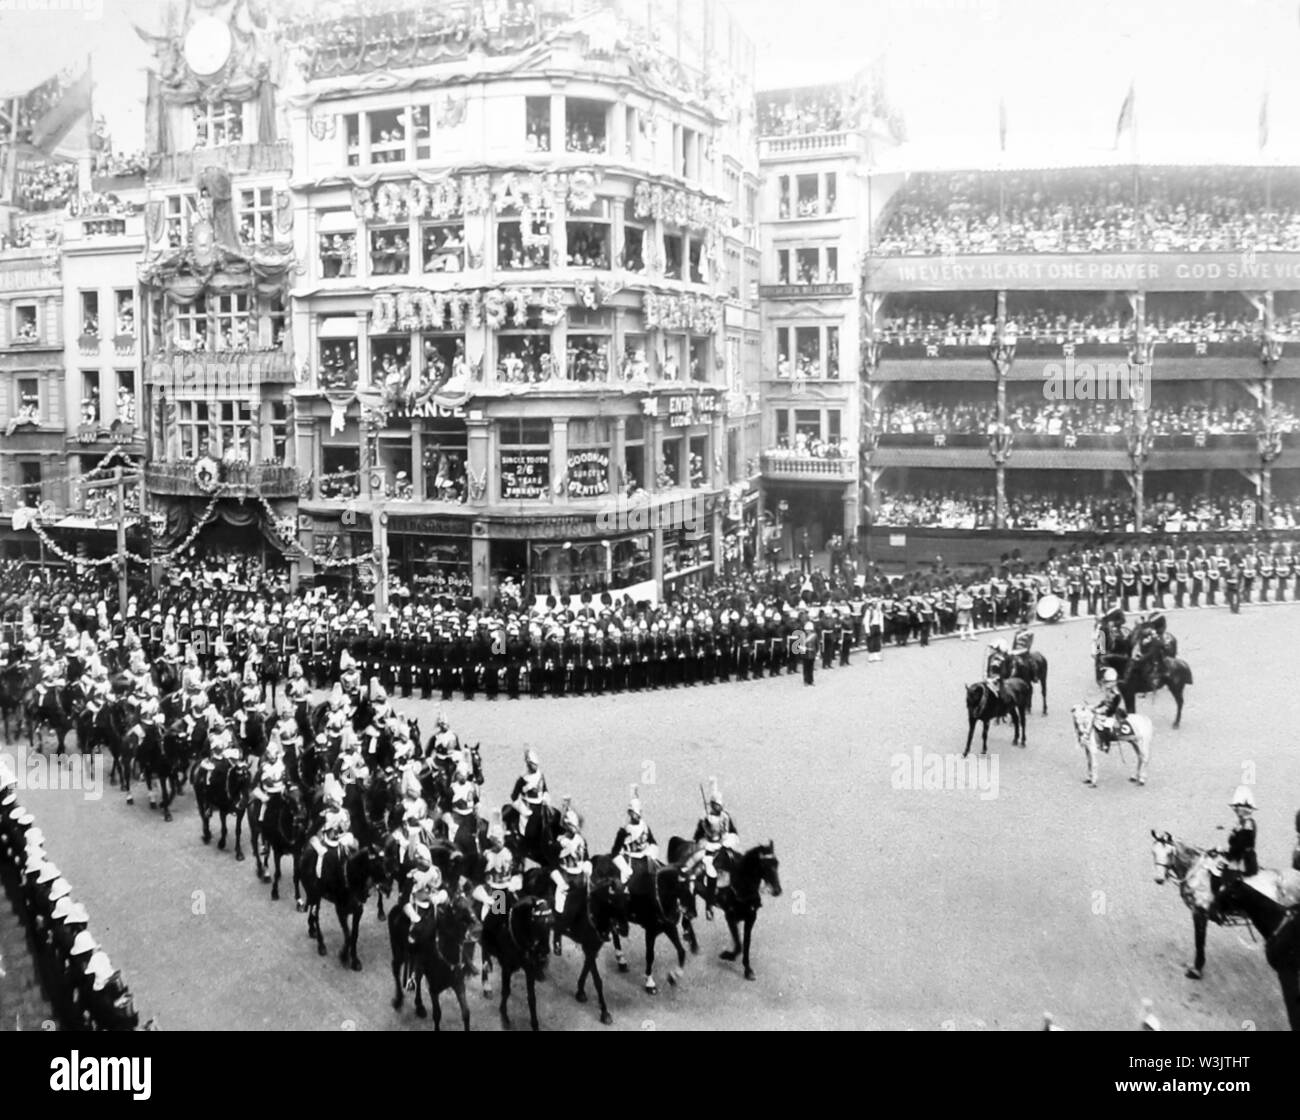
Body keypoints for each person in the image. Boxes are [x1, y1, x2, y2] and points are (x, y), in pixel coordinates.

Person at [688, 783, 739, 920]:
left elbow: (732, 832)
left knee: (737, 862)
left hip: (724, 845)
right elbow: (698, 837)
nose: (719, 807)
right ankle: (709, 905)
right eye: (717, 804)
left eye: (721, 804)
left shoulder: (726, 816)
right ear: (712, 804)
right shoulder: (705, 818)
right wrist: (707, 842)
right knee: (711, 872)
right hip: (710, 849)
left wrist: (729, 841)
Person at [551, 808, 589, 954]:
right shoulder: (492, 855)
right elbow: (553, 862)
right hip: (565, 875)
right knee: (560, 907)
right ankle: (557, 937)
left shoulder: (580, 840)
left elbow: (585, 857)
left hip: (578, 875)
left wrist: (587, 865)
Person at [611, 792, 658, 886]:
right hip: (630, 857)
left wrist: (652, 851)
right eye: (634, 813)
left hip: (645, 855)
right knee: (626, 874)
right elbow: (615, 851)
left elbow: (652, 842)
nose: (637, 816)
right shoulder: (624, 830)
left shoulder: (645, 826)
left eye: (638, 813)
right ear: (630, 813)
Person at [1222, 786, 1258, 879]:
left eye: (1238, 806)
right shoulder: (1239, 824)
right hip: (1236, 858)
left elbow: (1242, 843)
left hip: (1244, 862)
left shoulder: (1248, 824)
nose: (1236, 809)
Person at [510, 748, 548, 826]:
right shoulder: (523, 778)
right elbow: (514, 797)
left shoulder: (540, 776)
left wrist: (545, 798)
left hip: (540, 802)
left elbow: (545, 790)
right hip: (527, 804)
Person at [1091, 667, 1127, 747]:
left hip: (1114, 713)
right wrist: (1097, 707)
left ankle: (1105, 743)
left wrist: (1103, 711)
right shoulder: (1108, 691)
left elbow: (1113, 707)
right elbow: (1105, 702)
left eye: (1108, 682)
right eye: (1106, 682)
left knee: (1106, 725)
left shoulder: (1116, 693)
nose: (1106, 684)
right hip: (1107, 711)